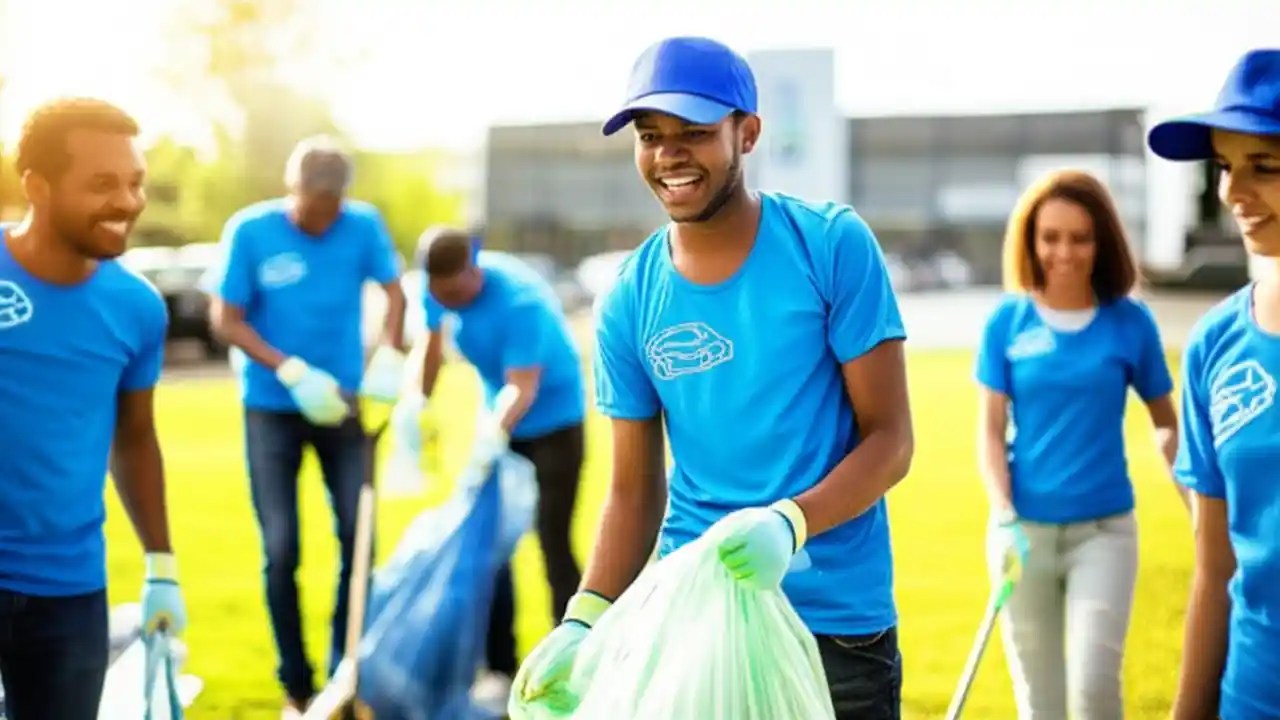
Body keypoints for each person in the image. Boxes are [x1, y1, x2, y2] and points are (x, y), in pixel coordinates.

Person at [509, 36, 914, 719]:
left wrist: (790, 524)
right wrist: (584, 618)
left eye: (694, 132)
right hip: (692, 619)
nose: (669, 153)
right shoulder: (630, 296)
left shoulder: (830, 244)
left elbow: (890, 441)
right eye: (650, 135)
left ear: (747, 133)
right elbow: (634, 491)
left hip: (834, 624)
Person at [206, 136, 407, 714]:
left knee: (358, 535)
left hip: (341, 406)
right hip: (272, 406)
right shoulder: (251, 231)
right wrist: (291, 370)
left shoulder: (362, 226)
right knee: (282, 546)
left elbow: (394, 294)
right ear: (292, 189)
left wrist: (390, 356)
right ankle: (297, 687)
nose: (323, 218)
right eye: (313, 205)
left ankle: (348, 670)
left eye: (332, 206)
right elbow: (226, 318)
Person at [972, 168, 1183, 718]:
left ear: (1102, 241)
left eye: (1080, 237)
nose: (1064, 251)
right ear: (1031, 242)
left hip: (1104, 534)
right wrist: (1002, 516)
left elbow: (1167, 424)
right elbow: (990, 432)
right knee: (1040, 704)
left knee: (1093, 689)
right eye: (1050, 237)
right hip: (1024, 539)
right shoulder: (1007, 322)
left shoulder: (1130, 323)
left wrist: (1199, 506)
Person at [0, 97, 186, 719]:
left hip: (69, 590)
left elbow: (135, 437)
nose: (129, 202)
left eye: (135, 183)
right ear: (38, 185)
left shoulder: (137, 308)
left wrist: (161, 564)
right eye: (103, 184)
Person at [394, 227, 587, 708]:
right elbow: (432, 345)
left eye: (457, 292)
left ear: (474, 270)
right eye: (441, 294)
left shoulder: (520, 301)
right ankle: (500, 667)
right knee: (488, 547)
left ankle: (577, 664)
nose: (449, 301)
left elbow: (523, 387)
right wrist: (417, 403)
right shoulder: (436, 289)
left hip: (555, 425)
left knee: (553, 543)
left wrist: (489, 436)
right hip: (502, 424)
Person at [1147, 48, 1280, 720]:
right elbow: (1214, 569)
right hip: (1250, 697)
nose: (1232, 192)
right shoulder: (1215, 345)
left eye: (1265, 167)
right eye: (1226, 166)